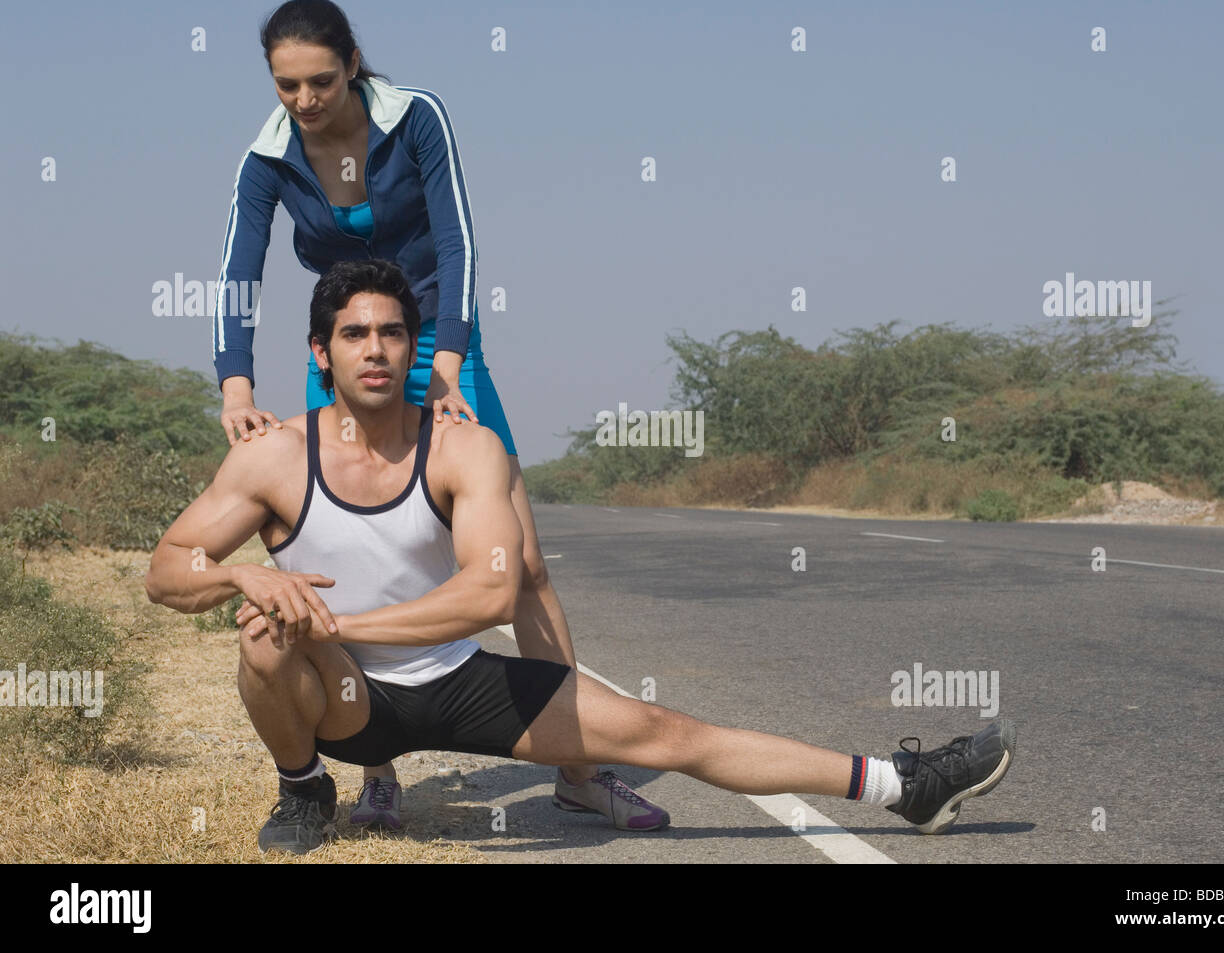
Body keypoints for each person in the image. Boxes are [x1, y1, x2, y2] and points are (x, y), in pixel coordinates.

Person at [159, 260, 1017, 855]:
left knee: (668, 733)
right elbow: (167, 568)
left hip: (457, 682)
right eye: (354, 334)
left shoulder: (465, 450)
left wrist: (341, 617)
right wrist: (241, 571)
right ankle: (304, 789)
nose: (375, 349)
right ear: (322, 353)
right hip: (344, 698)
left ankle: (907, 785)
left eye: (391, 333)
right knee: (263, 631)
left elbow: (494, 592)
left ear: (411, 349)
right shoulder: (273, 457)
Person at [208, 0, 663, 829]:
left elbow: (458, 237)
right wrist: (234, 383)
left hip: (437, 336)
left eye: (318, 80)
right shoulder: (267, 157)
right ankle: (376, 768)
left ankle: (578, 766)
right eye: (285, 86)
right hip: (348, 352)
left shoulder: (415, 116)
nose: (304, 100)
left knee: (519, 563)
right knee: (341, 563)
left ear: (350, 62)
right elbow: (239, 270)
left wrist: (448, 353)